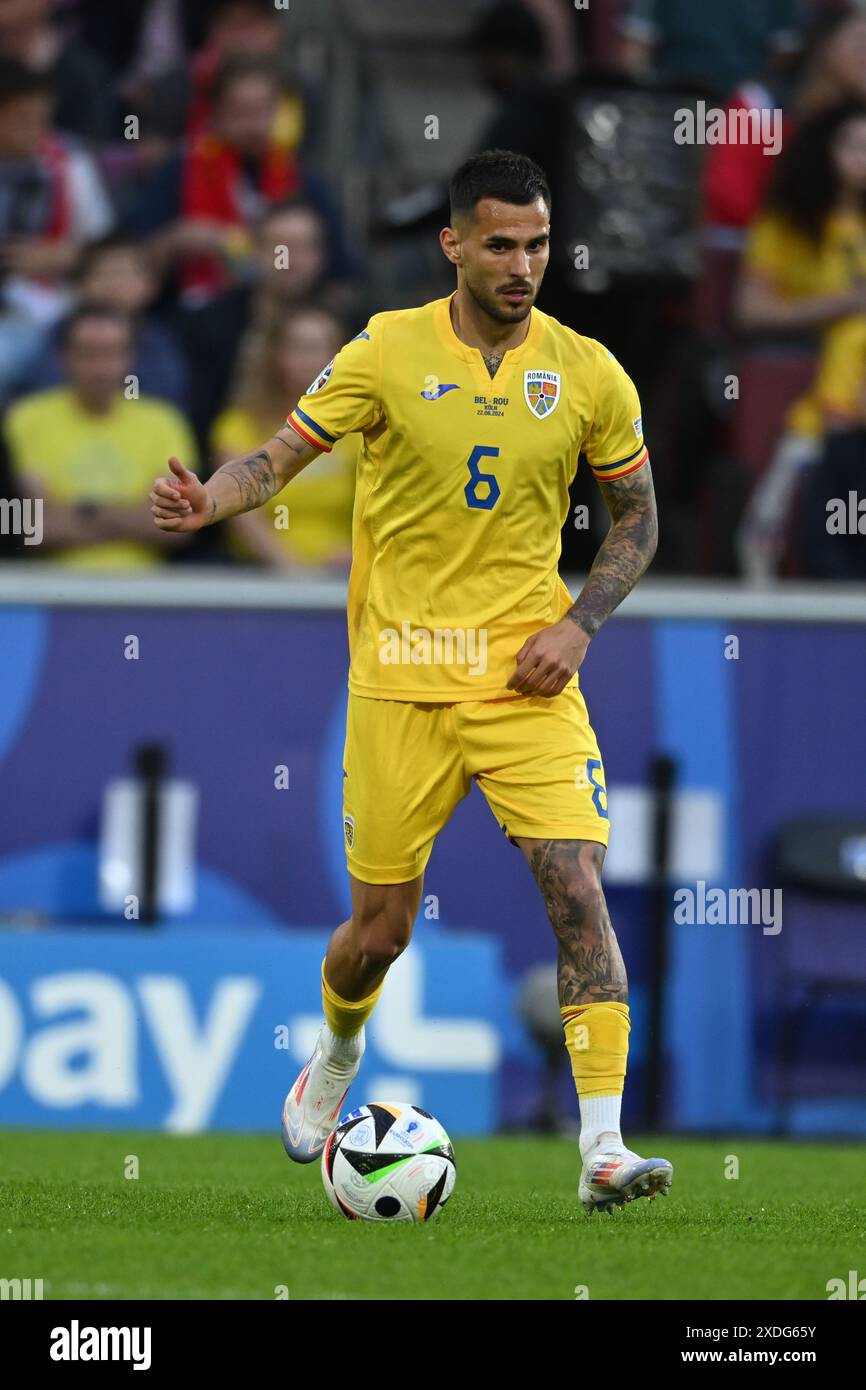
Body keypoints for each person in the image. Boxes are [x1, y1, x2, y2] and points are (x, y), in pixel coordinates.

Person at [150, 149, 670, 1214]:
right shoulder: (386, 350)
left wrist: (579, 623)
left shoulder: (587, 372)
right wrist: (212, 499)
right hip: (397, 680)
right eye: (498, 245)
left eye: (534, 243)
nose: (521, 264)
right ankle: (336, 1056)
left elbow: (638, 517)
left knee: (574, 883)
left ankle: (603, 1147)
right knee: (378, 931)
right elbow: (277, 460)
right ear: (453, 245)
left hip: (527, 675)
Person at [734, 100, 866, 579]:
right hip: (807, 360)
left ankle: (820, 434)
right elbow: (750, 311)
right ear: (821, 152)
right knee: (855, 332)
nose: (864, 157)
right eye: (854, 145)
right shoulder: (786, 225)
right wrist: (843, 305)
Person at [7, 305, 195, 568]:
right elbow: (31, 527)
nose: (100, 368)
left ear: (130, 358)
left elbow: (176, 526)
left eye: (111, 353)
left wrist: (84, 512)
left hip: (147, 592)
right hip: (49, 591)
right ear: (64, 357)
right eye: (88, 354)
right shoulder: (26, 419)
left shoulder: (163, 421)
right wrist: (132, 517)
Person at [211, 303, 355, 571]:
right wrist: (290, 569)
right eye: (300, 347)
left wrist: (359, 554)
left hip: (344, 574)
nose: (311, 359)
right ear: (275, 355)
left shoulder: (357, 427)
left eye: (323, 348)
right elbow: (240, 510)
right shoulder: (239, 426)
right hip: (260, 579)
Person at [13, 234, 190, 408]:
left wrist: (126, 389)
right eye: (103, 273)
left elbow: (163, 390)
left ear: (151, 287)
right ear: (81, 285)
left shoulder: (154, 340)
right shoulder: (61, 333)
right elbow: (43, 383)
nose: (114, 284)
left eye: (125, 274)